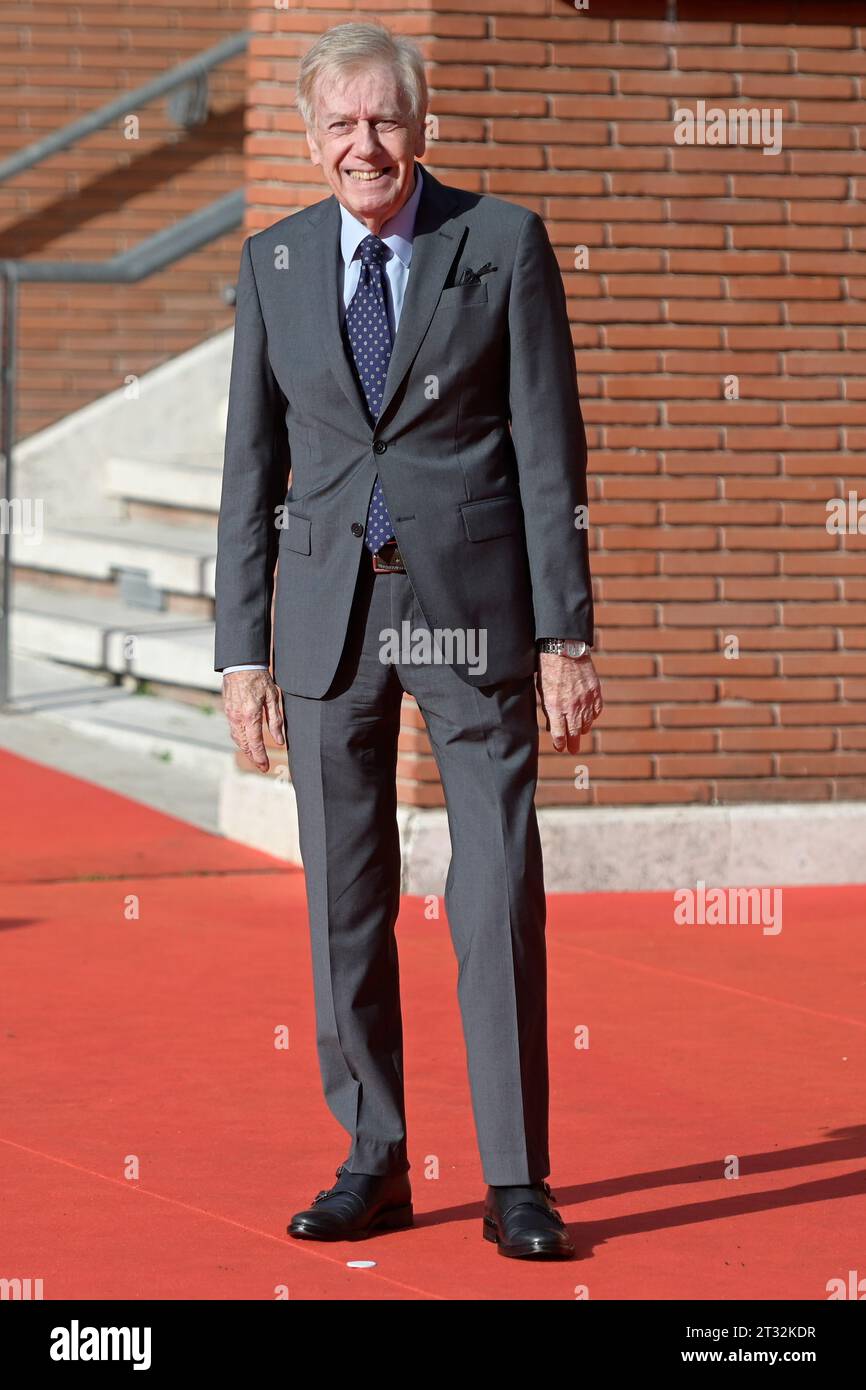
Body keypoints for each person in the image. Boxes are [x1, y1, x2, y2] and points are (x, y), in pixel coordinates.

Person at [214, 20, 602, 1261]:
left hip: (471, 611)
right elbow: (247, 475)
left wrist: (563, 635)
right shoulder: (272, 264)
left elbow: (549, 454)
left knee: (491, 892)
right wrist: (241, 653)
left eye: (383, 119)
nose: (363, 145)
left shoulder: (498, 245)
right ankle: (371, 1157)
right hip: (328, 619)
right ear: (310, 135)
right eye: (340, 124)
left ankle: (513, 1178)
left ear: (417, 125)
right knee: (344, 901)